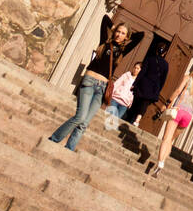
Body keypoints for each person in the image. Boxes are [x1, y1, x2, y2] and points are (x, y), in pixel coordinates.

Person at [48, 17, 140, 151]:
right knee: (80, 117)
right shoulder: (105, 41)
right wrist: (114, 27)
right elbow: (105, 19)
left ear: (126, 37)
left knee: (84, 123)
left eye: (123, 33)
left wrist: (128, 35)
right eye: (118, 32)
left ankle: (69, 148)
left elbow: (140, 37)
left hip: (102, 88)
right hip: (90, 82)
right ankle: (54, 138)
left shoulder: (122, 50)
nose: (119, 35)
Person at [148, 64, 193, 177]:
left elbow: (178, 91)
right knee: (171, 140)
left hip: (178, 111)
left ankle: (160, 162)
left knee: (166, 138)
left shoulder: (187, 78)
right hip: (188, 116)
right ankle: (162, 162)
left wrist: (167, 103)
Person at [124, 38, 169, 124]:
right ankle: (137, 119)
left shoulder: (149, 59)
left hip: (143, 84)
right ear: (165, 53)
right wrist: (158, 91)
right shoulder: (166, 65)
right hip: (154, 88)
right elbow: (163, 80)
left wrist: (135, 84)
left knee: (136, 103)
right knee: (145, 104)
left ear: (156, 50)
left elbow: (142, 73)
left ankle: (128, 119)